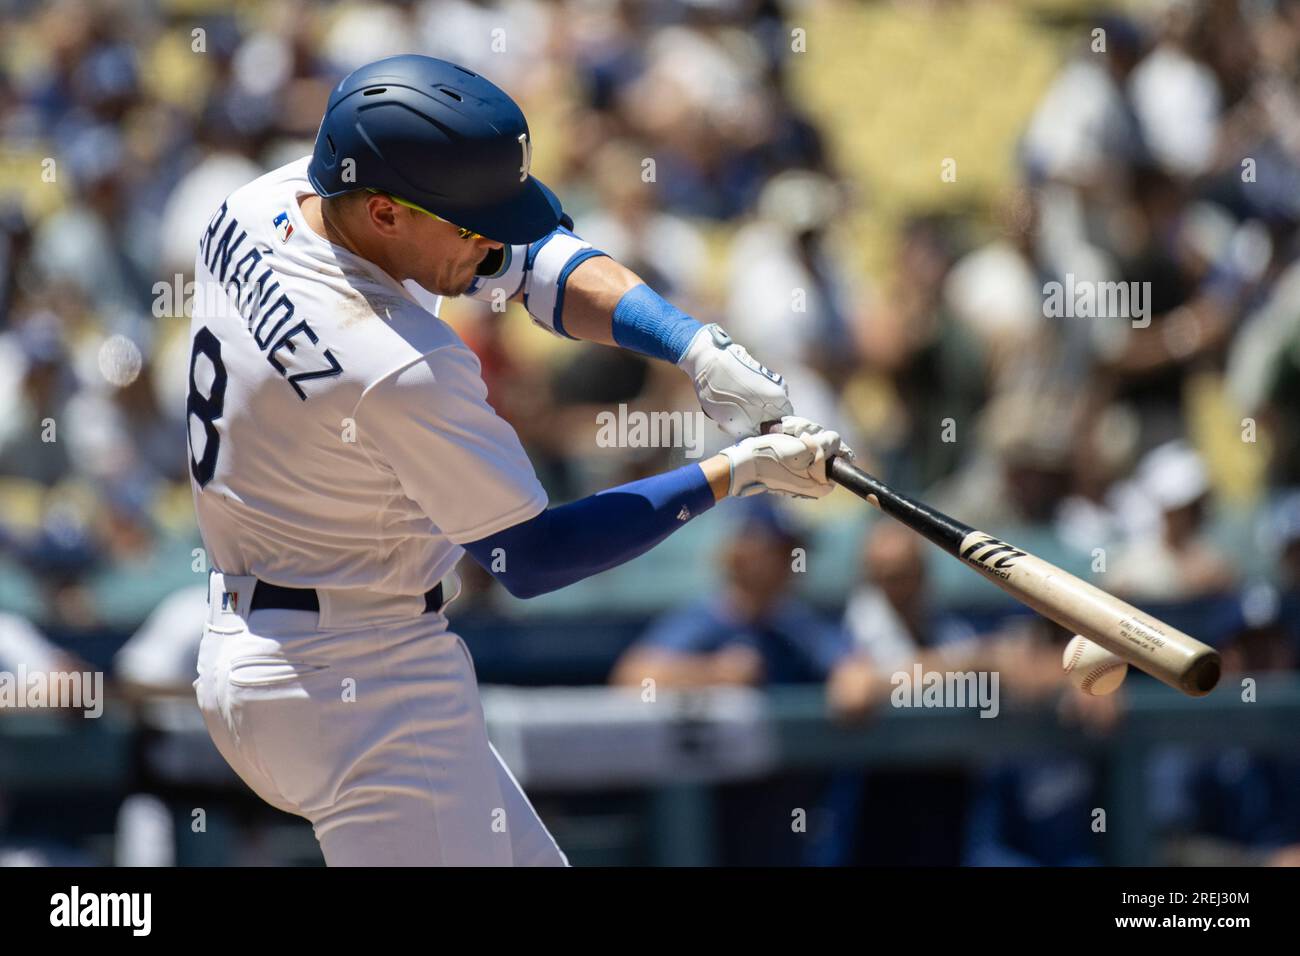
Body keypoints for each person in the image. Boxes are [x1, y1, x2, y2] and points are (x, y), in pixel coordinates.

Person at [188, 54, 845, 866]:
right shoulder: (393, 364)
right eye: (470, 226)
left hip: (271, 649)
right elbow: (528, 555)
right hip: (358, 682)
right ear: (388, 214)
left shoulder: (264, 202)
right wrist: (734, 472)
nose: (492, 241)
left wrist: (691, 344)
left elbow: (530, 257)